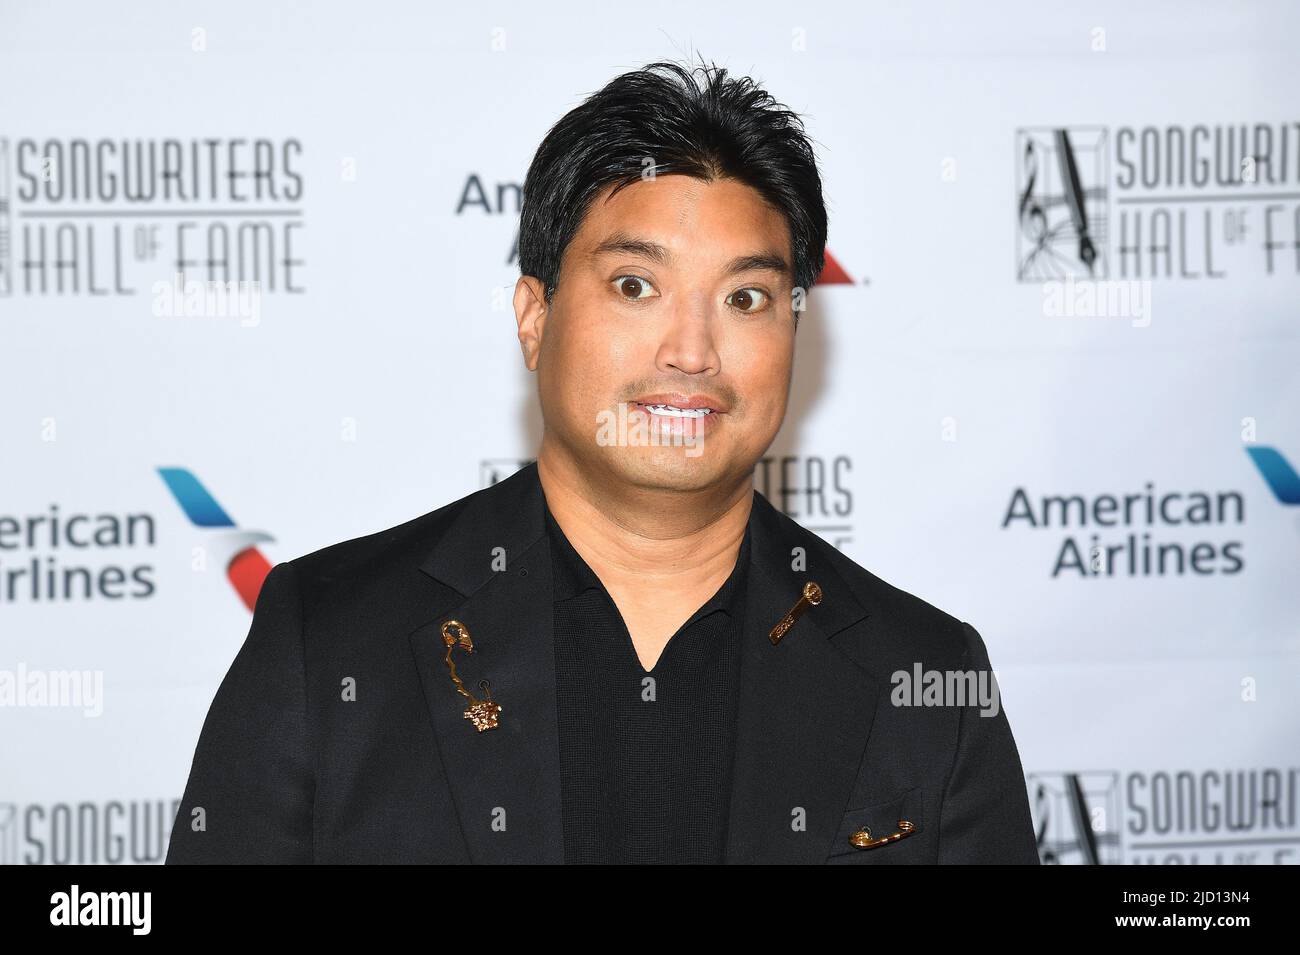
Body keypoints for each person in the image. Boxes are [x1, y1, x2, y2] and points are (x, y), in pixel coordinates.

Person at [166, 58, 1039, 864]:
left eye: (746, 297)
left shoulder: (923, 679)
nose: (692, 350)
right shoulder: (331, 638)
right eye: (635, 286)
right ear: (534, 317)